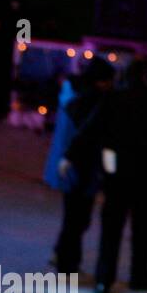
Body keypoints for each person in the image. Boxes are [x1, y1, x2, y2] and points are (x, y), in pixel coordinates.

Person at [68, 56, 147, 293]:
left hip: (117, 175)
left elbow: (90, 129)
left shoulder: (114, 99)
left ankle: (105, 279)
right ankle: (139, 274)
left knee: (111, 228)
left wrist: (71, 155)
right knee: (143, 230)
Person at [45, 58, 115, 274]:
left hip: (65, 160)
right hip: (81, 164)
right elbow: (89, 134)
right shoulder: (92, 100)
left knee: (73, 216)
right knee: (77, 218)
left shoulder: (71, 92)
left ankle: (63, 256)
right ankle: (67, 262)